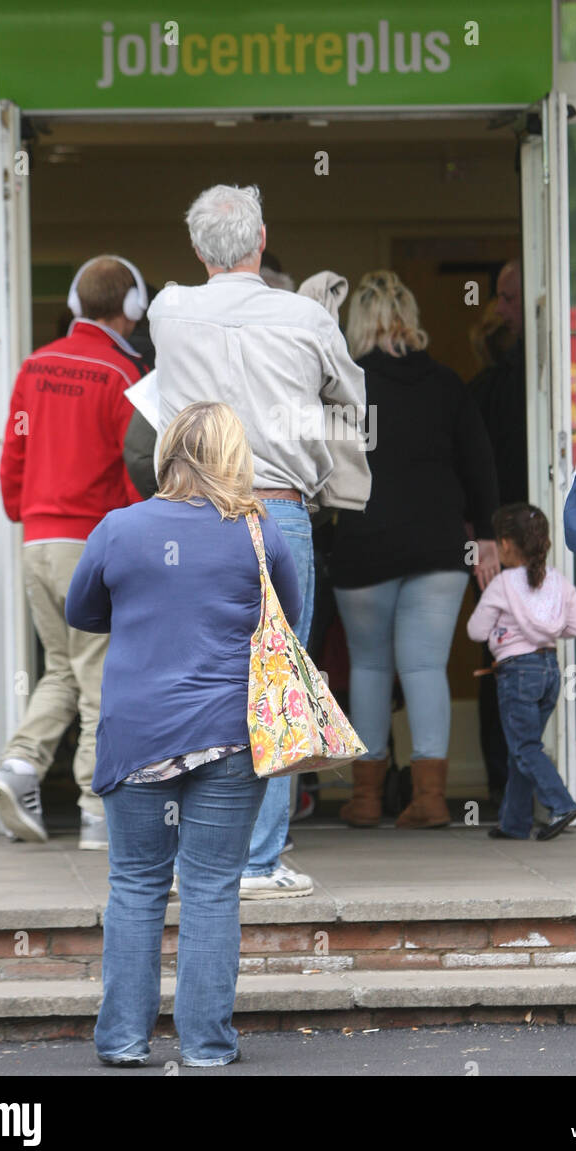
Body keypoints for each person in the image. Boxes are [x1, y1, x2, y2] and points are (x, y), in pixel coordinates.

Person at [146, 184, 370, 897]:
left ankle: (196, 856)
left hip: (192, 517)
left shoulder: (168, 310)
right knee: (281, 685)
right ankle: (257, 861)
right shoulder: (305, 316)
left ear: (195, 248)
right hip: (278, 511)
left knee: (197, 680)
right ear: (262, 239)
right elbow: (353, 401)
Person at [66, 402, 301, 1067]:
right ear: (235, 456)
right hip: (231, 732)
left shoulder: (119, 528)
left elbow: (80, 610)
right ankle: (205, 1046)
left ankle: (121, 1041)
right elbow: (288, 617)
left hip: (137, 732)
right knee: (210, 888)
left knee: (136, 885)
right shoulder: (260, 531)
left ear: (166, 454)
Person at [328, 270, 500, 829]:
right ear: (411, 319)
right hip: (437, 545)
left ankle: (367, 797)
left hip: (363, 542)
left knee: (371, 667)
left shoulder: (346, 384)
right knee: (425, 666)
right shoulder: (447, 384)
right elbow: (480, 465)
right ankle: (429, 799)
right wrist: (490, 535)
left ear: (359, 322)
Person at [0, 256, 148, 850]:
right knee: (100, 677)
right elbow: (135, 467)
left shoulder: (33, 366)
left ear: (78, 306)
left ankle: (20, 766)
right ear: (131, 310)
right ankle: (95, 811)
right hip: (92, 544)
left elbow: (15, 449)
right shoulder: (124, 375)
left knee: (60, 667)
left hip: (37, 539)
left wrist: (22, 509)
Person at [467, 503, 576, 840]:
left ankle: (561, 803)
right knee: (524, 745)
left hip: (517, 674)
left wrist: (501, 634)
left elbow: (475, 631)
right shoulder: (558, 582)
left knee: (524, 746)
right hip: (549, 671)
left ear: (505, 544)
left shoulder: (504, 584)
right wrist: (548, 631)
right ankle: (514, 823)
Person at [469, 260, 528, 806]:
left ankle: (509, 777)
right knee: (509, 654)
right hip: (505, 540)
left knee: (505, 656)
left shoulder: (535, 377)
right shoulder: (493, 386)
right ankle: (509, 778)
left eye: (510, 298)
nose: (504, 309)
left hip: (516, 537)